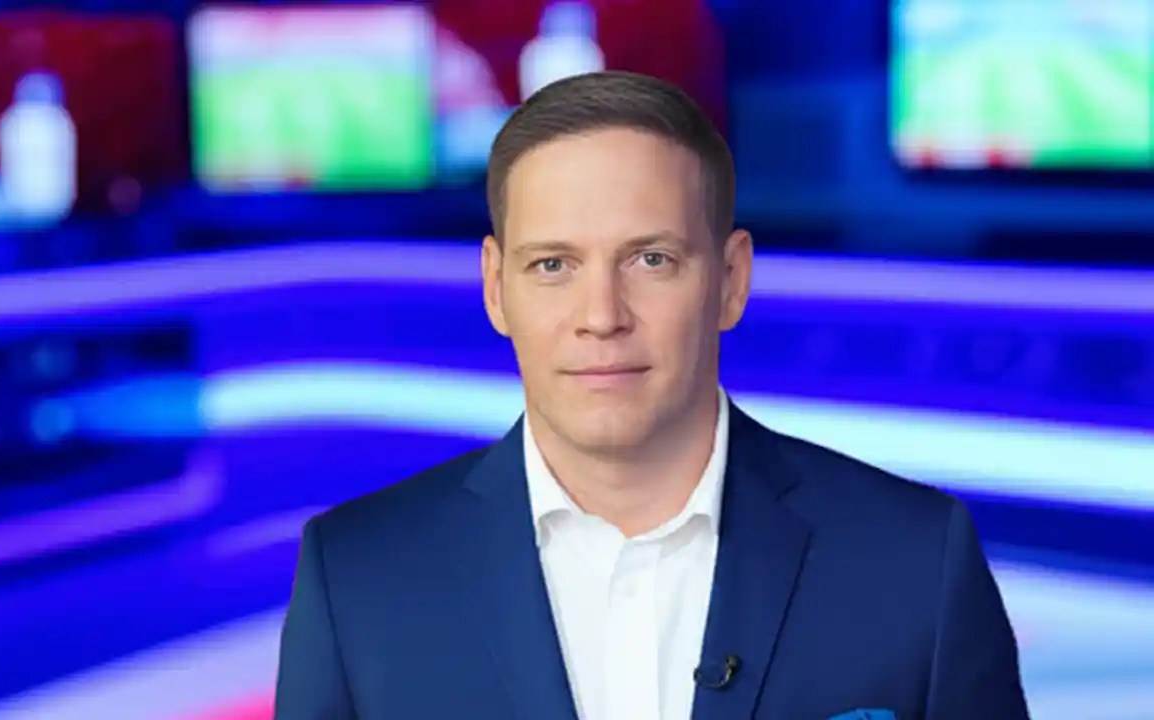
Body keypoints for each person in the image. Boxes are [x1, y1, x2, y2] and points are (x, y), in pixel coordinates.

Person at [273, 70, 1029, 720]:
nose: (602, 316)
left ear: (730, 280)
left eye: (651, 259)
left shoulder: (917, 559)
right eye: (552, 267)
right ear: (494, 290)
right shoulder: (356, 578)